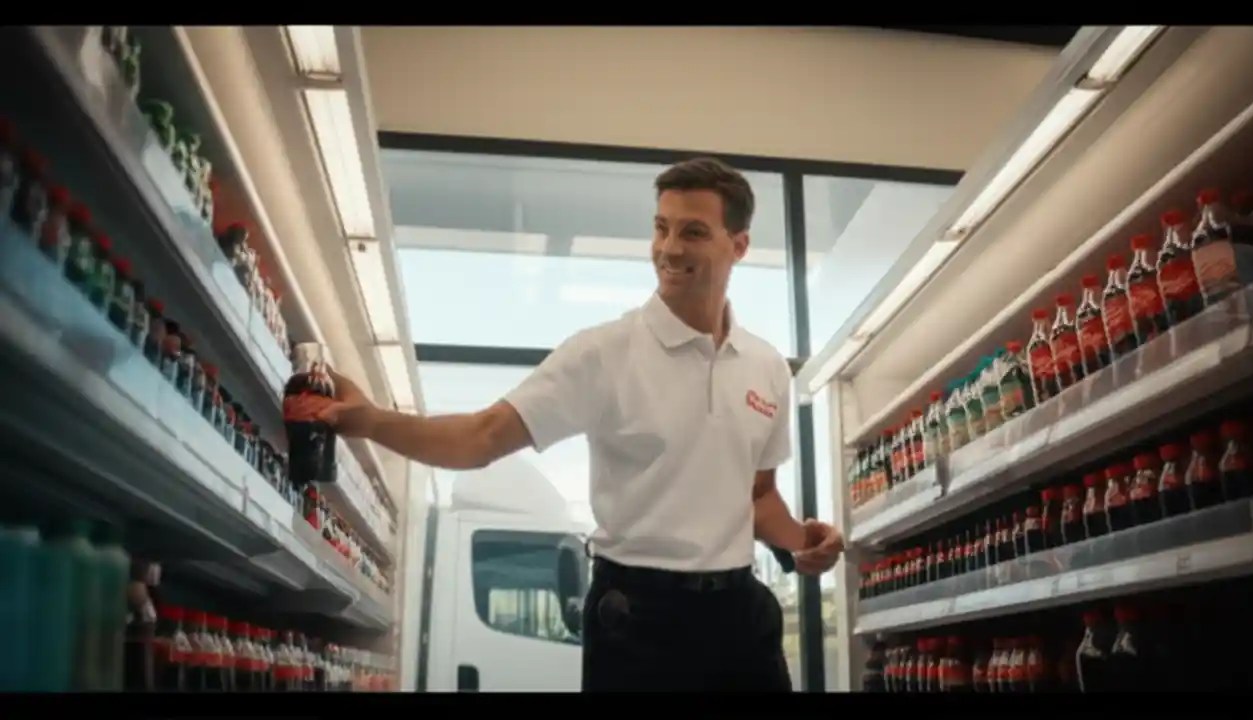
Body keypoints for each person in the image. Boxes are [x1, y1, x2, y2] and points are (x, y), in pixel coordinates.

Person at [299, 156, 845, 691]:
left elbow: (756, 497)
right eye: (661, 228)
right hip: (639, 619)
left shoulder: (767, 366)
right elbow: (481, 437)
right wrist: (371, 421)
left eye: (694, 232)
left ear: (739, 245)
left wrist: (802, 540)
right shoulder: (602, 354)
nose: (670, 248)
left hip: (739, 614)